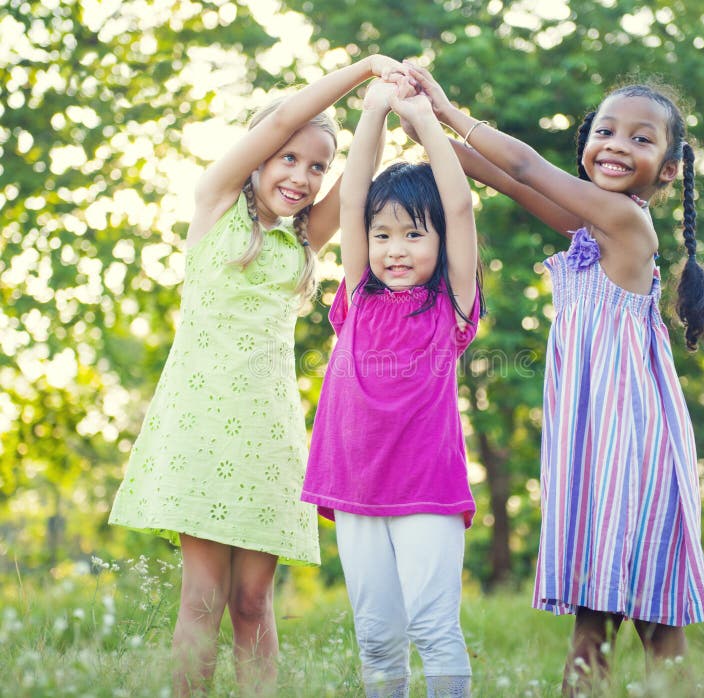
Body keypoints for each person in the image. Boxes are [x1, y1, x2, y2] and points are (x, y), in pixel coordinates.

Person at [405, 63, 704, 695]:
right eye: (605, 130)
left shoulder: (627, 225)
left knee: (655, 622)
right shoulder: (588, 228)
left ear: (667, 170)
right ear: (586, 142)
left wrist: (444, 109)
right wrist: (425, 131)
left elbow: (524, 167)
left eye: (641, 138)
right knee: (592, 614)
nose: (616, 145)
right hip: (592, 449)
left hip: (631, 445)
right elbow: (501, 176)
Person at [108, 54, 404, 697]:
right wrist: (362, 70)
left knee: (252, 601)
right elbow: (283, 121)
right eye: (289, 159)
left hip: (269, 435)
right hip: (200, 427)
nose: (301, 176)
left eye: (316, 165)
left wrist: (376, 109)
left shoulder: (303, 240)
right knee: (202, 600)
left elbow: (359, 186)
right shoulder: (216, 206)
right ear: (261, 159)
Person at [300, 75, 485, 698]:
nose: (395, 249)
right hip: (354, 484)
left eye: (413, 234)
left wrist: (422, 115)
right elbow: (352, 198)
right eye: (384, 235)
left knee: (433, 628)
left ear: (439, 241)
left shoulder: (450, 308)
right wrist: (374, 110)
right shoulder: (357, 297)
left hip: (426, 488)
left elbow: (458, 205)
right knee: (376, 636)